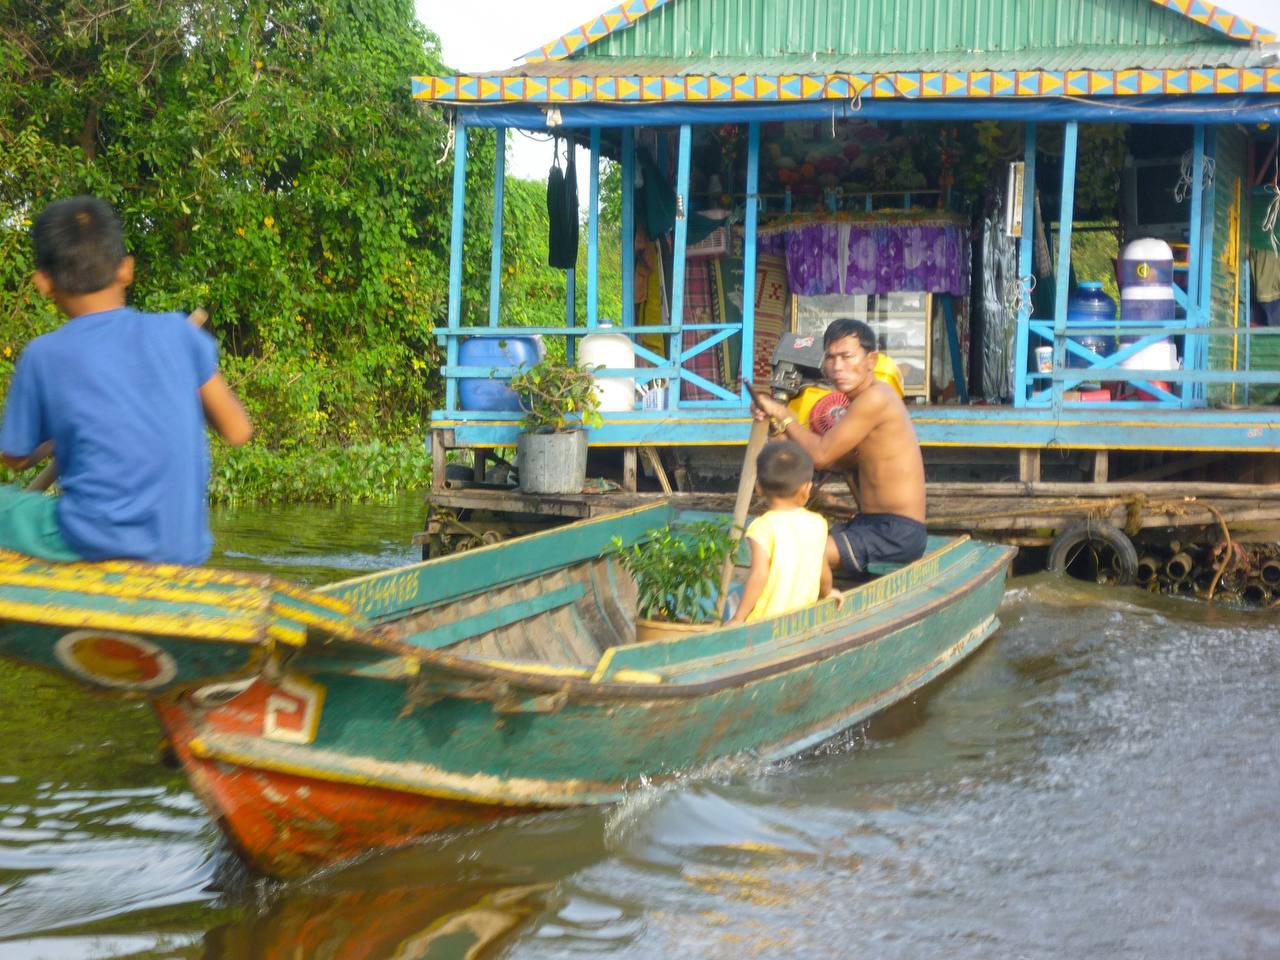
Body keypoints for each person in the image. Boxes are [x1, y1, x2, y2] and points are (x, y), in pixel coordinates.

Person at [0, 195, 252, 565]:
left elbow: (15, 458)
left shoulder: (44, 355)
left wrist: (52, 441)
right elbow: (238, 430)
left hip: (91, 539)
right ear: (126, 269)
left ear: (43, 282)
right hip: (182, 551)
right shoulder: (177, 334)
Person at [751, 318, 927, 576]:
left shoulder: (877, 397)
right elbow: (827, 459)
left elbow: (821, 455)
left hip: (896, 533)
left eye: (847, 357)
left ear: (871, 361)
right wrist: (775, 424)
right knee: (789, 543)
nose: (837, 367)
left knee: (798, 553)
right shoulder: (856, 404)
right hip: (869, 524)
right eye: (831, 358)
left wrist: (781, 411)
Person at [726, 440, 838, 625]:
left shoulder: (762, 526)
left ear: (758, 488)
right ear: (807, 488)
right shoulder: (818, 523)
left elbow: (759, 575)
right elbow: (823, 569)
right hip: (802, 619)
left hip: (765, 622)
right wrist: (828, 593)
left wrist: (738, 617)